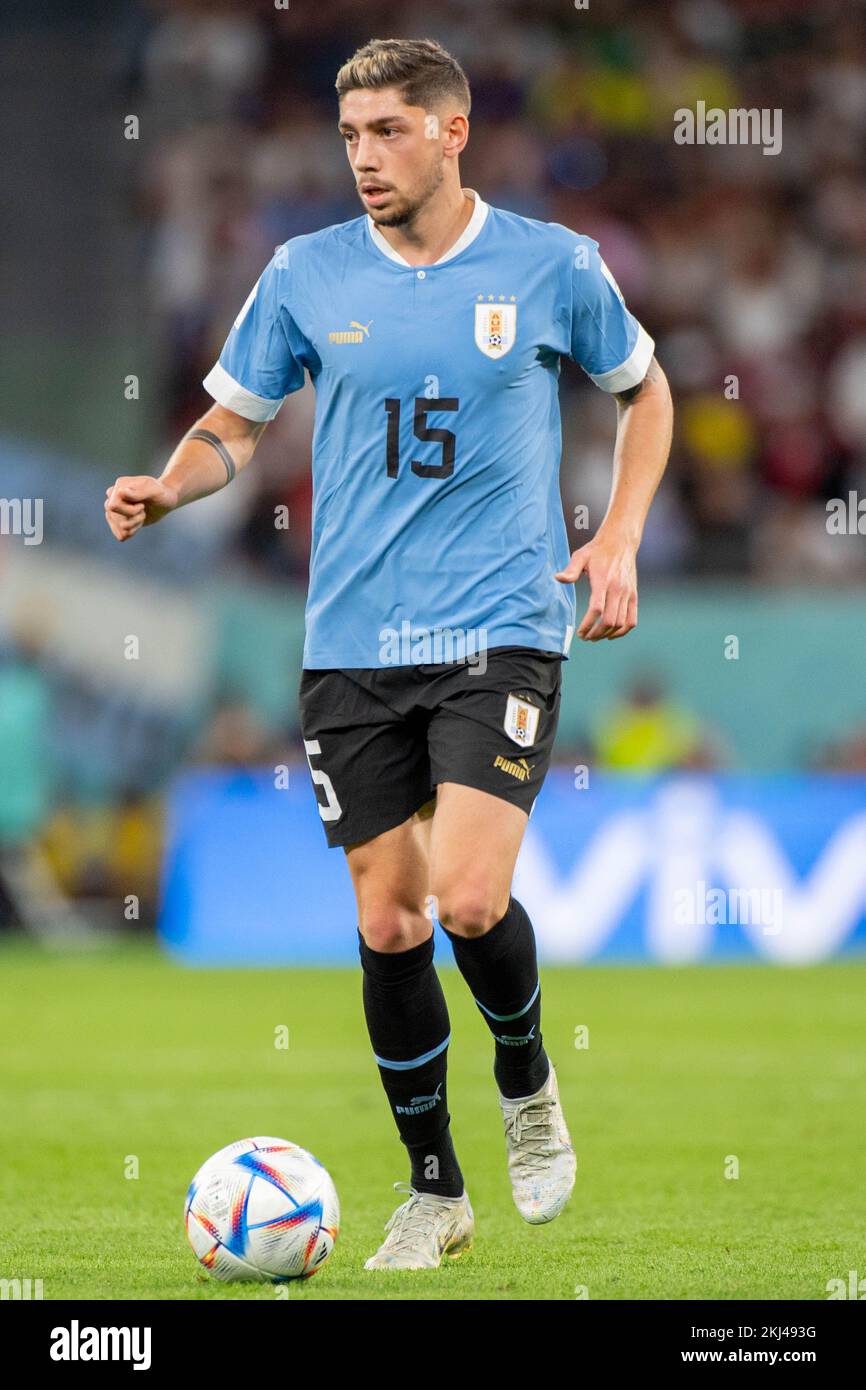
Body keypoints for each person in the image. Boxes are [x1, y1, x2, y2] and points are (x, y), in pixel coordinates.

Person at [105, 36, 673, 1271]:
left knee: (467, 896)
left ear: (452, 131)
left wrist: (617, 535)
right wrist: (171, 484)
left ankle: (525, 1088)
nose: (362, 156)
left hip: (500, 624)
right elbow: (232, 424)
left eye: (388, 132)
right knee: (388, 922)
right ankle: (435, 1190)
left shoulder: (546, 264)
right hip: (350, 639)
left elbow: (645, 390)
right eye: (350, 133)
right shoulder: (306, 272)